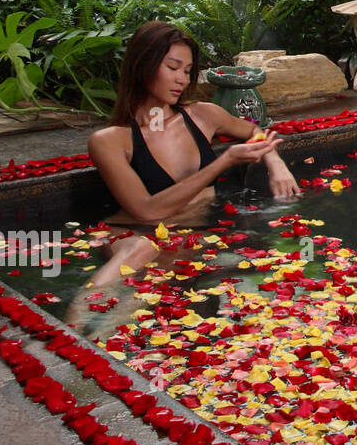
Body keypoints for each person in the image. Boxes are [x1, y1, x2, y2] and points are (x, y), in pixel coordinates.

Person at [86, 21, 300, 284]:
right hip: (131, 231)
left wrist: (276, 164)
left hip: (184, 232)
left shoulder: (202, 115)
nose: (182, 79)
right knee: (142, 249)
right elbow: (146, 211)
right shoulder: (109, 140)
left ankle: (84, 324)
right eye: (173, 68)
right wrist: (225, 161)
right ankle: (67, 323)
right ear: (142, 66)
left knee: (159, 274)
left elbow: (254, 130)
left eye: (187, 71)